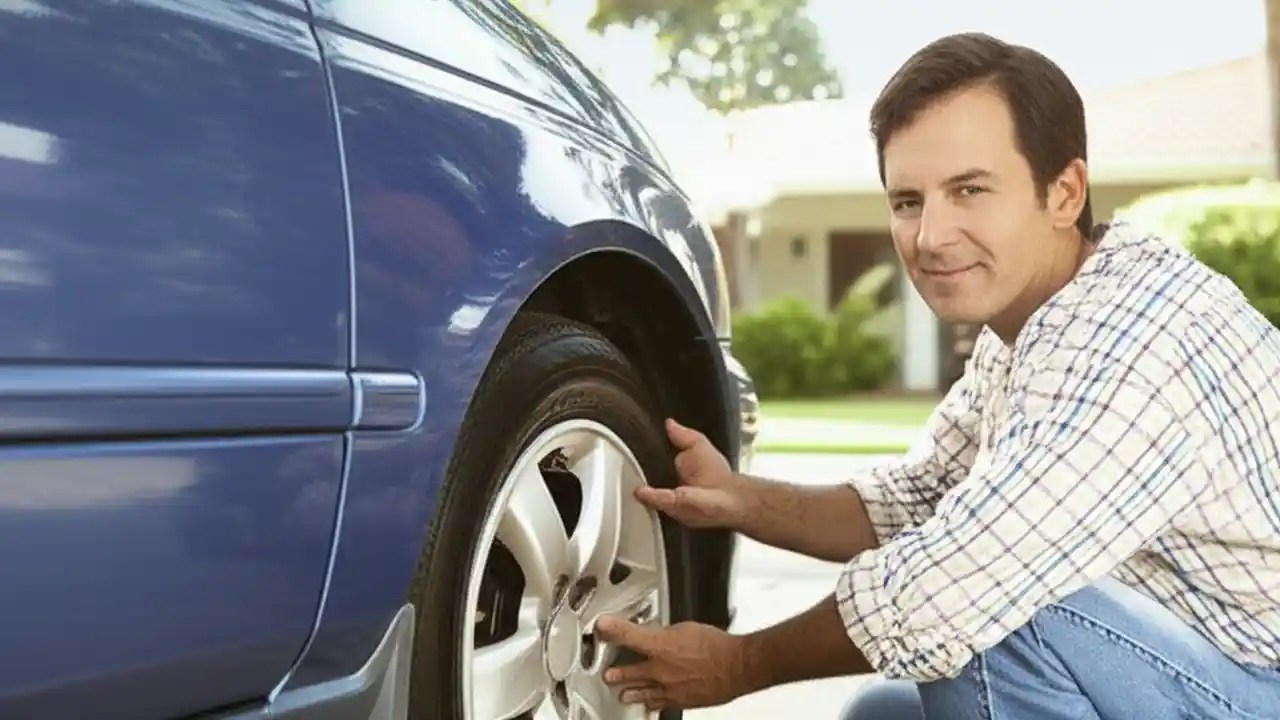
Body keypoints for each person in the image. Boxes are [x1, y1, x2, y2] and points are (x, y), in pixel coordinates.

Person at [595, 31, 1280, 719]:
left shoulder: (1134, 345)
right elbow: (918, 502)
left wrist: (739, 664)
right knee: (882, 713)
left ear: (1065, 192)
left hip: (1258, 680)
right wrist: (743, 499)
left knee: (994, 620)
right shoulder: (1034, 324)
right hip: (1196, 667)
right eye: (908, 201)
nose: (930, 237)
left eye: (970, 190)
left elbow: (952, 587)